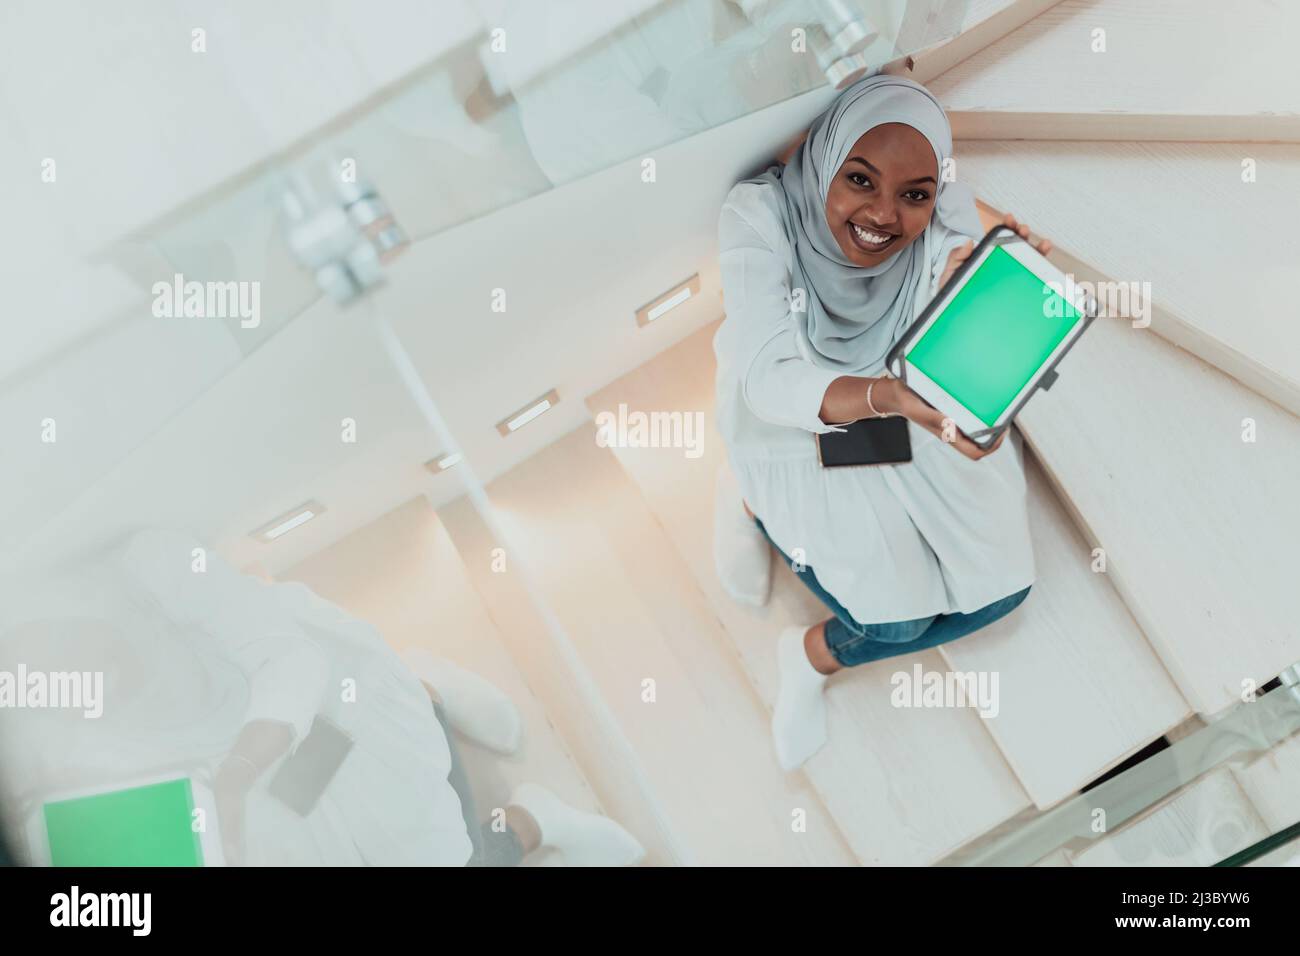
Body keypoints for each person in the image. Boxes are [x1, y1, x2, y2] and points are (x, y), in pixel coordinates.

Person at [712, 75, 1052, 771]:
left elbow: (953, 245)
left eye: (913, 195)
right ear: (823, 157)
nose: (883, 216)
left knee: (1004, 589)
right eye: (859, 180)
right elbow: (770, 377)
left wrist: (973, 276)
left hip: (910, 411)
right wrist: (884, 397)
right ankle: (801, 632)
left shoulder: (939, 199)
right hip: (796, 430)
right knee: (895, 619)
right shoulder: (758, 214)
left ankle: (793, 583)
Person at [0, 529, 643, 867]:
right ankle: (532, 813)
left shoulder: (149, 566)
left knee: (442, 851)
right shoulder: (60, 744)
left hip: (328, 699)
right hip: (266, 777)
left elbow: (289, 660)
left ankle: (429, 693)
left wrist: (235, 778)